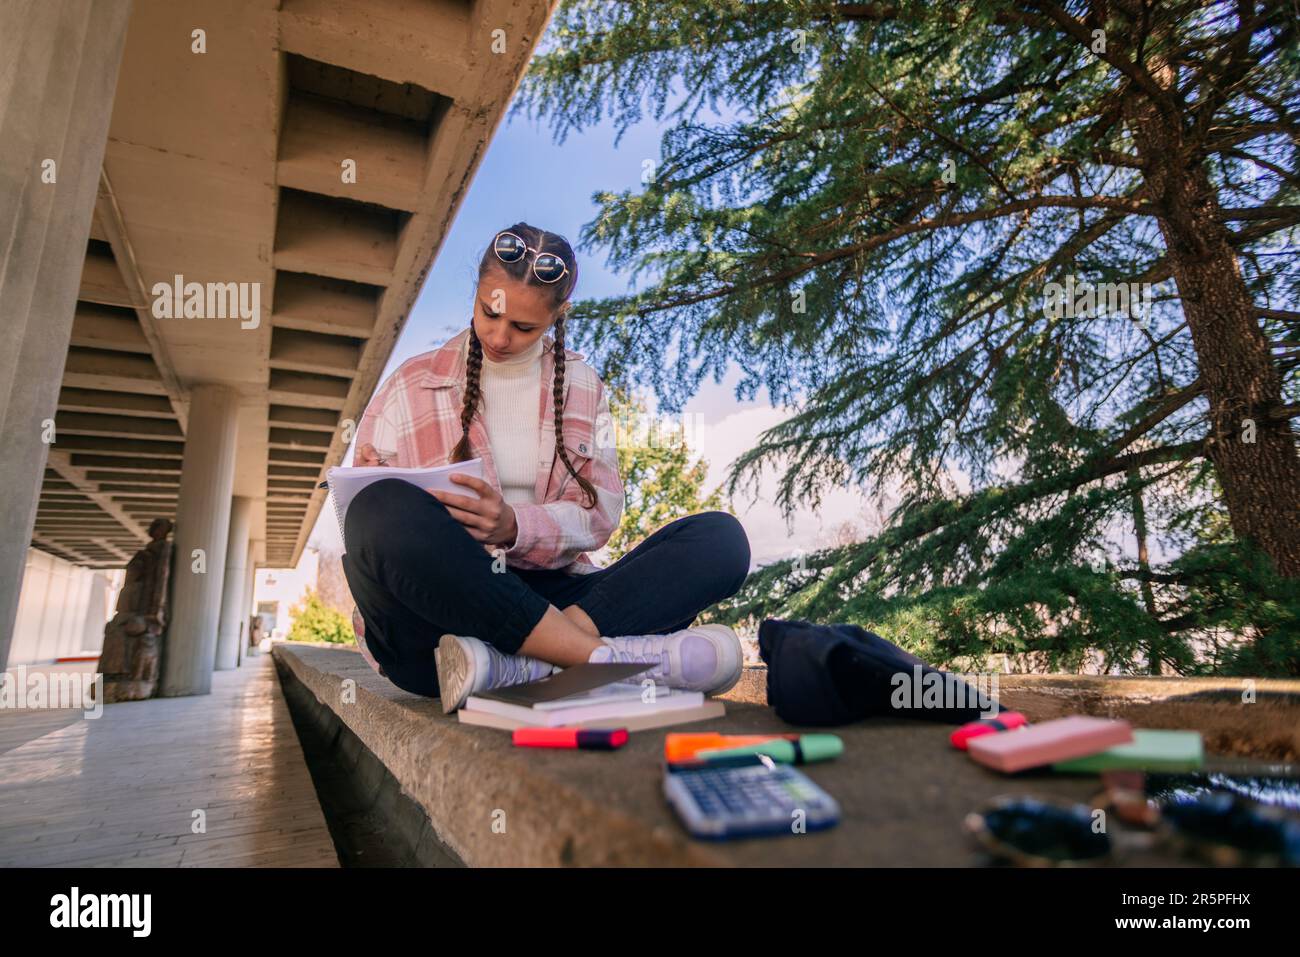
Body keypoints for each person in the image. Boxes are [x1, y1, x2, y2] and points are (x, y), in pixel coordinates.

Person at [342, 223, 751, 711]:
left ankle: (522, 661)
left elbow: (600, 514)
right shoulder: (410, 382)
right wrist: (373, 483)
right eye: (489, 313)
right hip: (440, 619)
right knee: (377, 509)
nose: (498, 336)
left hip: (553, 599)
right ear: (476, 292)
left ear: (559, 315)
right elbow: (368, 532)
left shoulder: (582, 386)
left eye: (523, 327)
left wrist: (515, 525)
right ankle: (593, 657)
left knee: (721, 540)